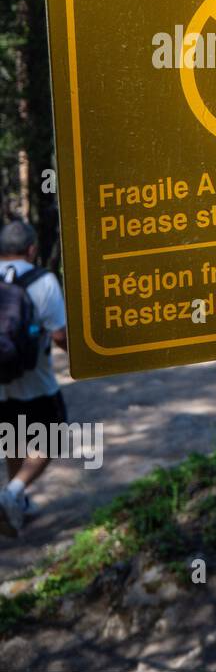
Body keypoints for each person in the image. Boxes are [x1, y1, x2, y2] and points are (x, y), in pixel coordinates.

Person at [0, 220, 67, 537]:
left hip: (2, 382)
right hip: (36, 379)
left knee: (13, 437)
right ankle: (12, 492)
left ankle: (18, 504)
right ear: (31, 249)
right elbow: (59, 335)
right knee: (52, 439)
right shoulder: (44, 281)